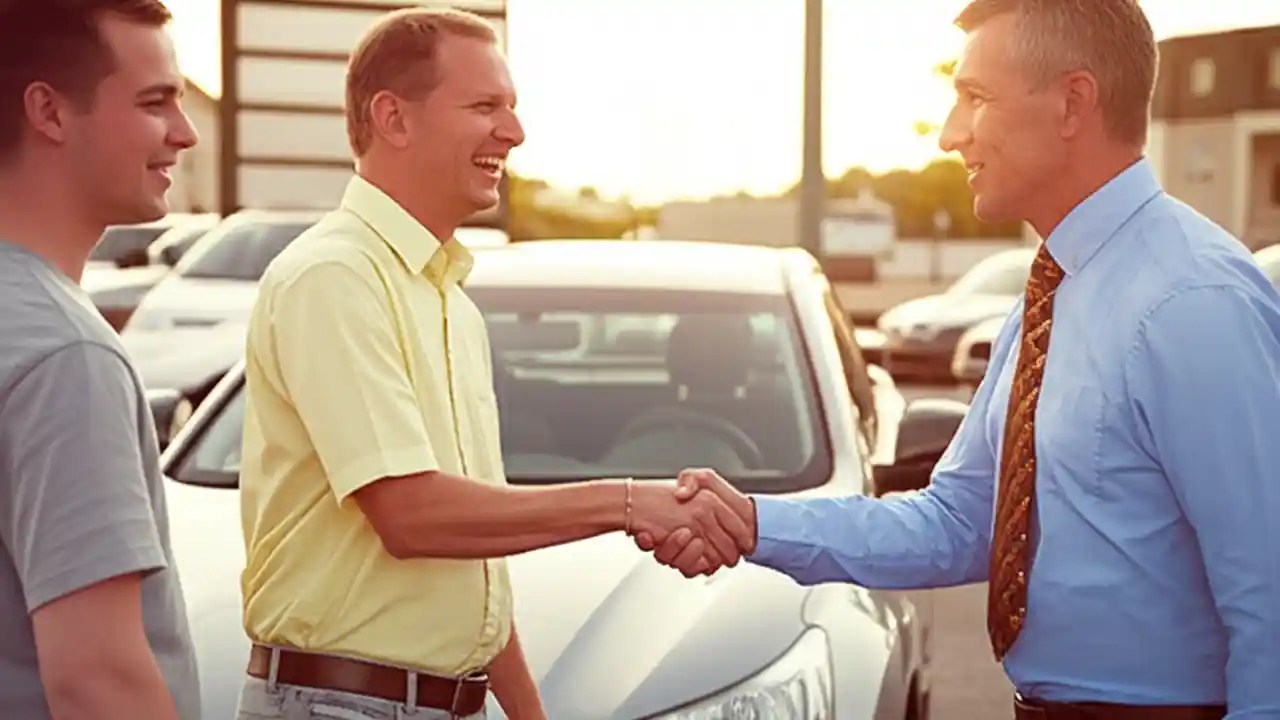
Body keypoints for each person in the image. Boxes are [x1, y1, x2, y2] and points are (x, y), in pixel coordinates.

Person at [641, 1, 1280, 718]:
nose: (951, 135)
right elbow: (957, 522)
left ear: (1073, 103)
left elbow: (1272, 597)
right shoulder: (1053, 292)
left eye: (974, 98)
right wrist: (753, 522)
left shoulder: (1194, 300)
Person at [234, 8, 751, 720]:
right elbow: (413, 517)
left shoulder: (453, 306)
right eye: (485, 106)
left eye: (511, 107)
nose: (514, 131)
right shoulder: (334, 277)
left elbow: (473, 564)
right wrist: (630, 502)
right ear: (394, 118)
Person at [0, 2, 202, 719]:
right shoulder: (65, 352)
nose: (186, 133)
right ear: (49, 113)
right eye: (156, 103)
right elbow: (99, 682)